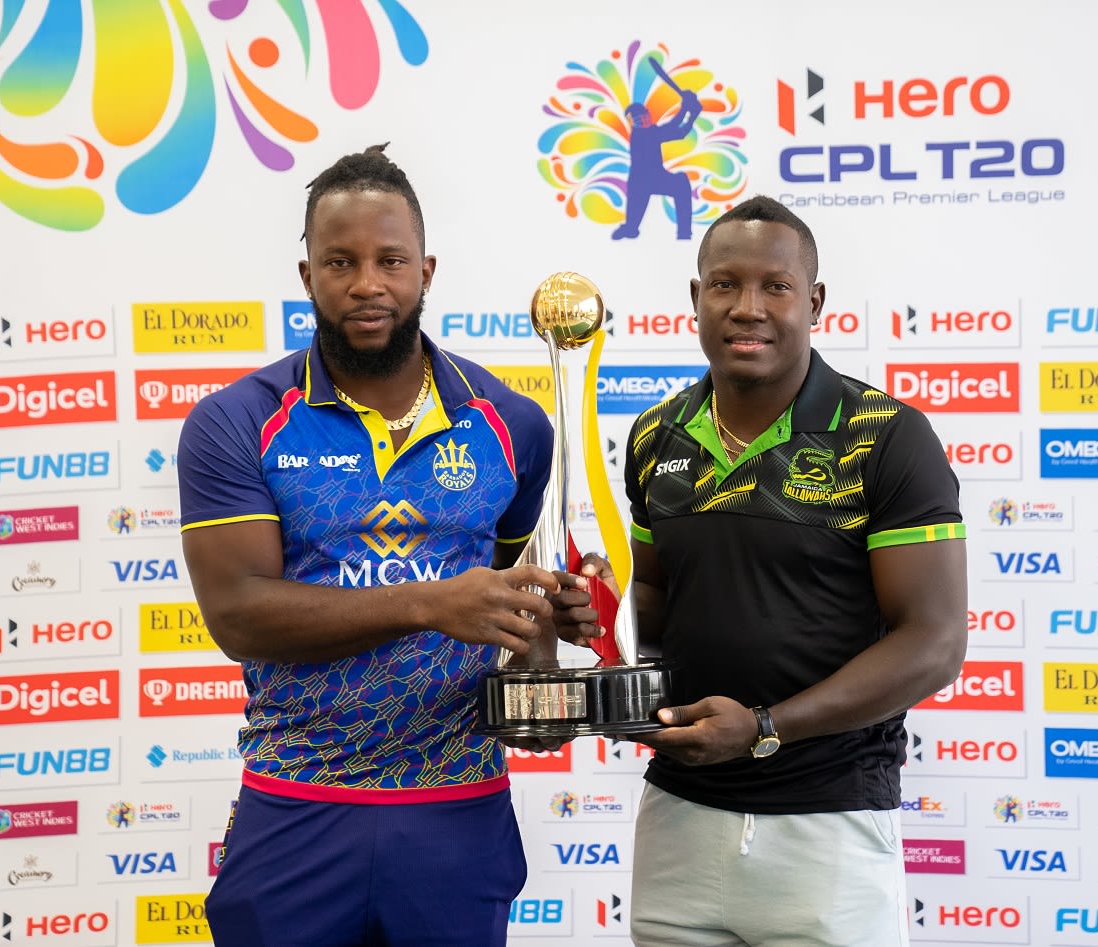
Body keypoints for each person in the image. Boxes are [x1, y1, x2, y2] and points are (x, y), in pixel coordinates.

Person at [177, 144, 562, 947]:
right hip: (297, 803)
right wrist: (430, 601)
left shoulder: (514, 424)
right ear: (306, 274)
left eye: (389, 260)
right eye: (339, 261)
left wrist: (550, 628)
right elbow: (240, 615)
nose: (366, 283)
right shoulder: (237, 421)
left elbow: (514, 619)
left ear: (426, 270)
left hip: (457, 806)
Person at [561, 195, 968, 945]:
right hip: (679, 814)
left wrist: (765, 729)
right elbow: (656, 595)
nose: (747, 307)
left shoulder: (884, 436)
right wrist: (600, 611)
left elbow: (934, 642)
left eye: (774, 287)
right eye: (724, 283)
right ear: (696, 298)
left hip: (830, 825)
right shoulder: (658, 434)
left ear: (813, 302)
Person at [612, 88, 702, 240]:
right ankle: (629, 228)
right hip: (640, 182)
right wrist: (688, 110)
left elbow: (675, 129)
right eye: (637, 121)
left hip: (656, 178)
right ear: (633, 123)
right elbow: (677, 129)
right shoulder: (641, 135)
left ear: (648, 115)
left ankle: (684, 232)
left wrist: (690, 112)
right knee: (632, 226)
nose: (643, 122)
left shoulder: (651, 131)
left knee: (681, 182)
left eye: (644, 117)